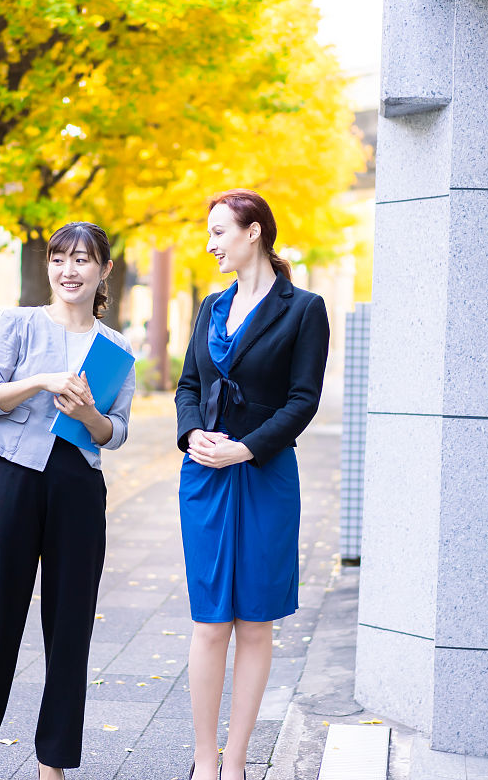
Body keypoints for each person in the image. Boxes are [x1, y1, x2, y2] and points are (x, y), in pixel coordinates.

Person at [0, 222, 136, 780]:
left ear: (104, 271)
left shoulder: (116, 348)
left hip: (78, 487)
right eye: (60, 259)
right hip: (11, 480)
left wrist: (90, 417)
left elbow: (119, 430)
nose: (69, 270)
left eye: (83, 260)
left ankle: (53, 763)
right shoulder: (19, 323)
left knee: (70, 626)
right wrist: (39, 381)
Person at [176, 189, 329, 780]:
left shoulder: (303, 308)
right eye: (209, 231)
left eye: (219, 231)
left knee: (255, 620)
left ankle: (235, 763)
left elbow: (303, 400)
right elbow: (189, 386)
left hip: (264, 475)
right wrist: (193, 437)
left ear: (254, 233)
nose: (211, 243)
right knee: (210, 619)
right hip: (206, 477)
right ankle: (204, 762)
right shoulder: (211, 308)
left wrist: (245, 448)